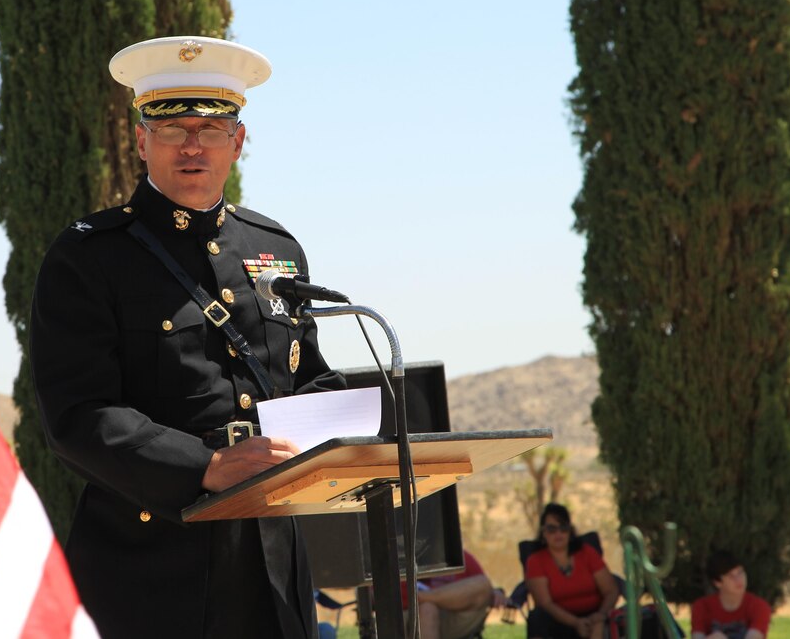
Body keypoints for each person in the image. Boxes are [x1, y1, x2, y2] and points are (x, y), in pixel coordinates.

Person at [29, 35, 345, 639]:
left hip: (269, 563)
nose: (193, 145)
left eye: (212, 128)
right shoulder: (89, 258)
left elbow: (305, 376)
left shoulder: (274, 249)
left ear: (239, 141)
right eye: (173, 129)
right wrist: (206, 465)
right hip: (149, 565)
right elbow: (78, 415)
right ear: (142, 140)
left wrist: (348, 427)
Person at [525, 503, 619, 639]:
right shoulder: (536, 561)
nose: (558, 534)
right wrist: (576, 623)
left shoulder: (587, 553)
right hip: (558, 620)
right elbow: (545, 603)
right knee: (537, 617)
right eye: (552, 529)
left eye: (563, 528)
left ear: (570, 531)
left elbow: (611, 590)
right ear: (543, 532)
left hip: (594, 615)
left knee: (602, 624)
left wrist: (600, 615)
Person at [404, 550, 506, 639]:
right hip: (411, 618)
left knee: (483, 583)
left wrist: (494, 592)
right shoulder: (404, 557)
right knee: (427, 609)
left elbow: (482, 588)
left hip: (453, 617)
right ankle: (421, 598)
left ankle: (420, 597)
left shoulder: (460, 556)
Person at [691, 551, 771, 639]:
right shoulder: (702, 607)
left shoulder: (758, 606)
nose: (739, 579)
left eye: (740, 572)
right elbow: (697, 636)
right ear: (717, 583)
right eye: (731, 576)